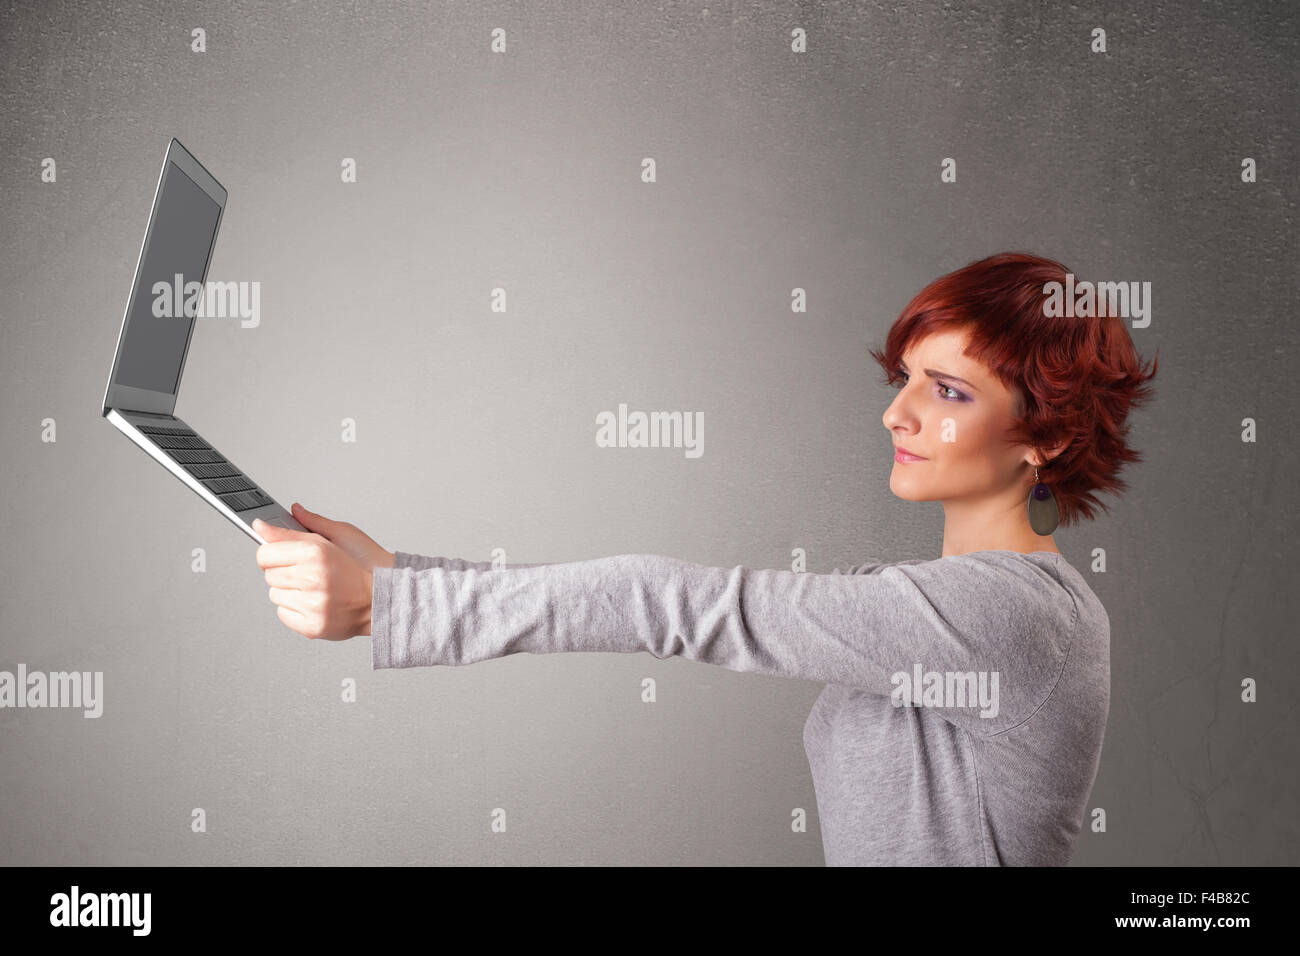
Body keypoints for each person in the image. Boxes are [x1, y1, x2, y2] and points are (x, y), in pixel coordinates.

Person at [253, 250, 1158, 865]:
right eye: (906, 378)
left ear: (1045, 435)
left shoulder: (1025, 617)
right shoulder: (913, 605)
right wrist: (400, 577)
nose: (899, 412)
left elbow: (669, 603)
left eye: (949, 390)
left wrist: (391, 610)